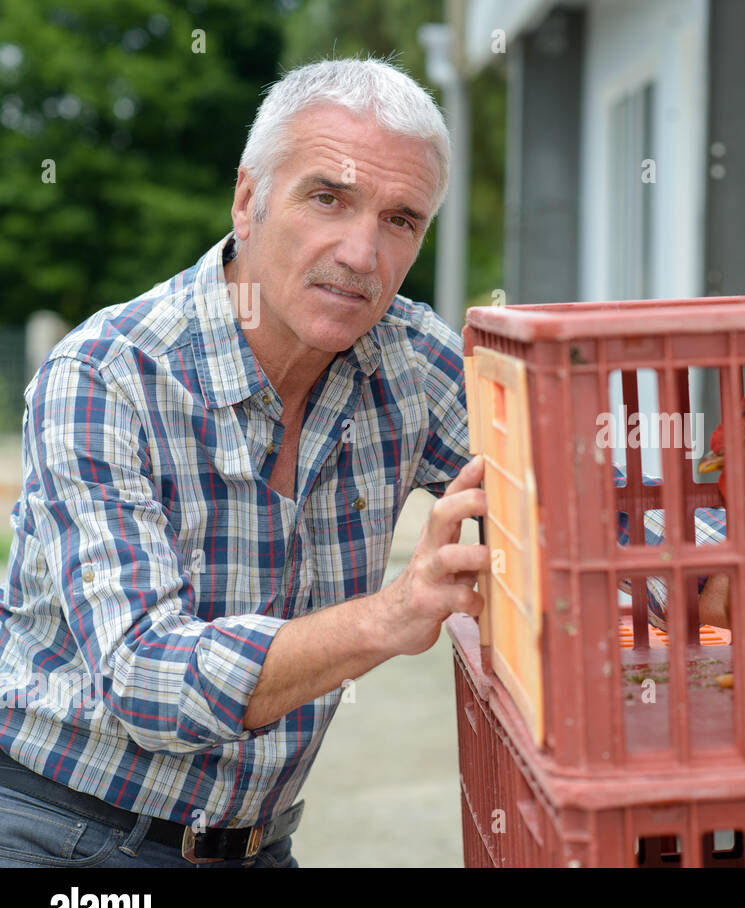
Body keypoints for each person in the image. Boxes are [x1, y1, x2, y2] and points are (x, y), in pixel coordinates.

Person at [0, 57, 489, 867]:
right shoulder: (107, 374)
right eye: (327, 197)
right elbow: (146, 680)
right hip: (62, 834)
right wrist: (394, 611)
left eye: (401, 218)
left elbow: (586, 504)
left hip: (257, 846)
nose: (361, 253)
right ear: (247, 198)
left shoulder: (412, 357)